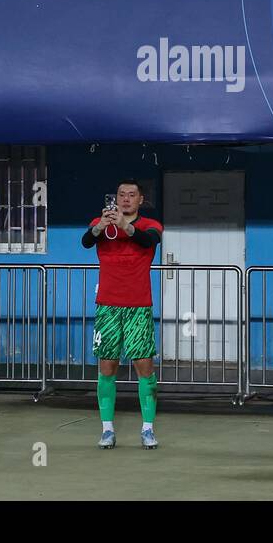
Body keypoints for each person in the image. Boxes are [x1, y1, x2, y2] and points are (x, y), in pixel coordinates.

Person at [81, 179, 163, 450]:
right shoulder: (102, 223)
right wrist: (100, 227)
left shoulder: (151, 225)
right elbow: (85, 241)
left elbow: (146, 240)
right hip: (107, 305)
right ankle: (107, 430)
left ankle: (148, 429)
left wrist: (124, 225)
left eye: (131, 195)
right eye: (121, 195)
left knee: (145, 367)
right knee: (107, 367)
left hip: (139, 305)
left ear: (141, 200)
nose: (125, 199)